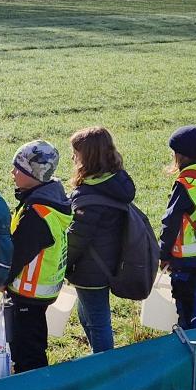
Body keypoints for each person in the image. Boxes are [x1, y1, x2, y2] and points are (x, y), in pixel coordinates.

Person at [2, 141, 71, 373]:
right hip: (39, 293)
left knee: (27, 355)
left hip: (27, 295)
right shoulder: (48, 201)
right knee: (34, 346)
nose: (12, 172)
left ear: (34, 174)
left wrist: (2, 280)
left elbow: (19, 253)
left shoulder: (37, 214)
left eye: (18, 168)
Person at [66, 126, 134, 353]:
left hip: (90, 268)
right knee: (88, 316)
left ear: (88, 157)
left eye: (76, 153)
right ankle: (100, 362)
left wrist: (61, 264)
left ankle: (105, 367)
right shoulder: (116, 182)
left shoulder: (89, 197)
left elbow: (77, 238)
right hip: (110, 261)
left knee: (97, 321)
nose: (73, 158)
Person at [157, 125, 196, 329]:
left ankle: (195, 356)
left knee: (190, 314)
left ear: (180, 156)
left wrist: (163, 253)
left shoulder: (186, 183)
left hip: (188, 263)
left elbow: (171, 221)